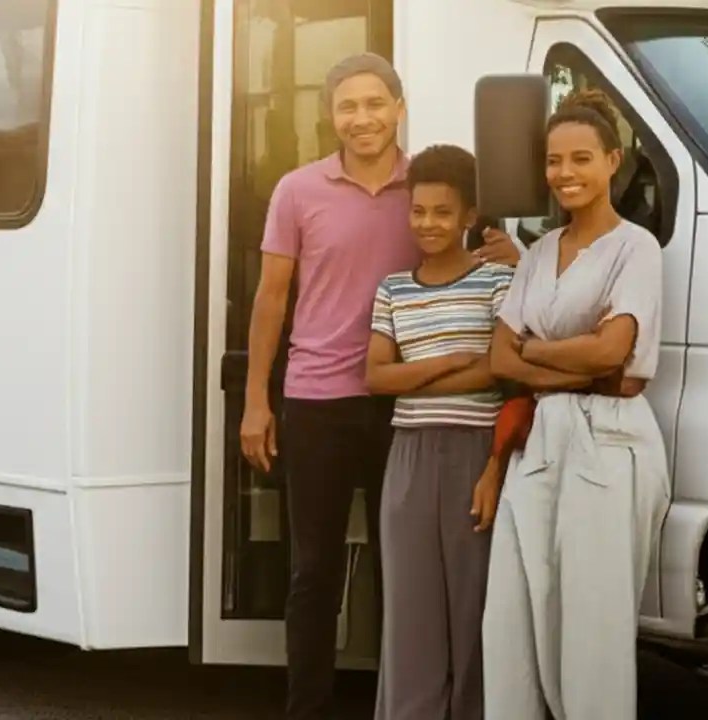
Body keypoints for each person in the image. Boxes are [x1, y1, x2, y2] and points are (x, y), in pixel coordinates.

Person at [481, 88, 671, 720]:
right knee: (512, 620)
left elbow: (613, 353)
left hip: (608, 443)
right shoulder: (536, 254)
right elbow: (500, 360)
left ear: (613, 161)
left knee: (592, 631)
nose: (565, 173)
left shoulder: (635, 248)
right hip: (537, 445)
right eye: (554, 160)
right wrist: (573, 362)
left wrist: (541, 354)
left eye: (581, 158)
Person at [238, 52, 411, 720]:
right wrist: (258, 400)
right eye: (347, 106)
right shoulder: (297, 191)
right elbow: (271, 299)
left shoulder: (430, 188)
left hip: (403, 401)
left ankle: (402, 705)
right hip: (315, 401)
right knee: (313, 573)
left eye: (374, 104)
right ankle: (306, 709)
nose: (361, 119)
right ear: (330, 114)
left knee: (404, 569)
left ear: (398, 108)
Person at [365, 144, 515, 720]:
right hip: (407, 459)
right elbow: (375, 377)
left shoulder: (495, 282)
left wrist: (411, 377)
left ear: (469, 216)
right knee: (411, 612)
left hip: (474, 453)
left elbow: (498, 368)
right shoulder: (393, 289)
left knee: (474, 607)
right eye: (419, 211)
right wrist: (447, 361)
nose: (428, 224)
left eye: (443, 212)